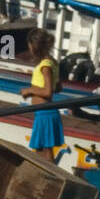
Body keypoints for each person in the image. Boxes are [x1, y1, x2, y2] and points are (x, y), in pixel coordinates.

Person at [21, 28, 63, 160]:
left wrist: (30, 90)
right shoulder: (52, 62)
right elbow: (59, 88)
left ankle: (50, 177)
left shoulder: (45, 66)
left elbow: (48, 92)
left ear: (34, 46)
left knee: (44, 152)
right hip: (43, 112)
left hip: (45, 113)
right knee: (42, 150)